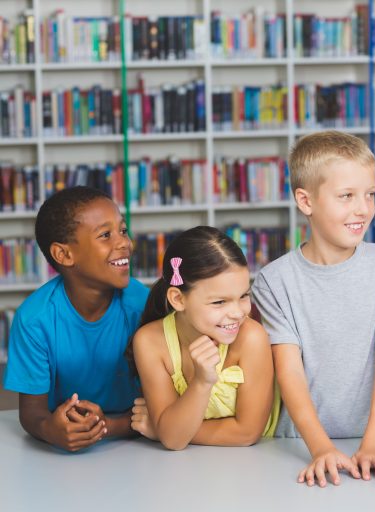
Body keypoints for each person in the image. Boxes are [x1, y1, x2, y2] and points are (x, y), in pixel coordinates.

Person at [252, 130, 375, 487]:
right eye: (346, 196)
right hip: (304, 447)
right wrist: (320, 448)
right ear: (306, 201)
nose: (363, 208)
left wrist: (373, 444)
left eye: (370, 194)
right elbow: (289, 371)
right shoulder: (273, 281)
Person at [3, 186, 149, 451]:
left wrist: (105, 428)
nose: (124, 243)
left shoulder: (144, 307)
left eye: (123, 230)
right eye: (106, 235)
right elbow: (32, 412)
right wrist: (50, 430)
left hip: (137, 443)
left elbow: (162, 404)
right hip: (58, 457)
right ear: (64, 254)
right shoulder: (34, 320)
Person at [127, 226, 278, 450]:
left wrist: (163, 430)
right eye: (219, 302)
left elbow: (246, 433)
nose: (238, 313)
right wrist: (202, 382)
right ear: (178, 299)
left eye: (244, 295)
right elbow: (174, 441)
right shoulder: (149, 342)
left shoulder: (251, 338)